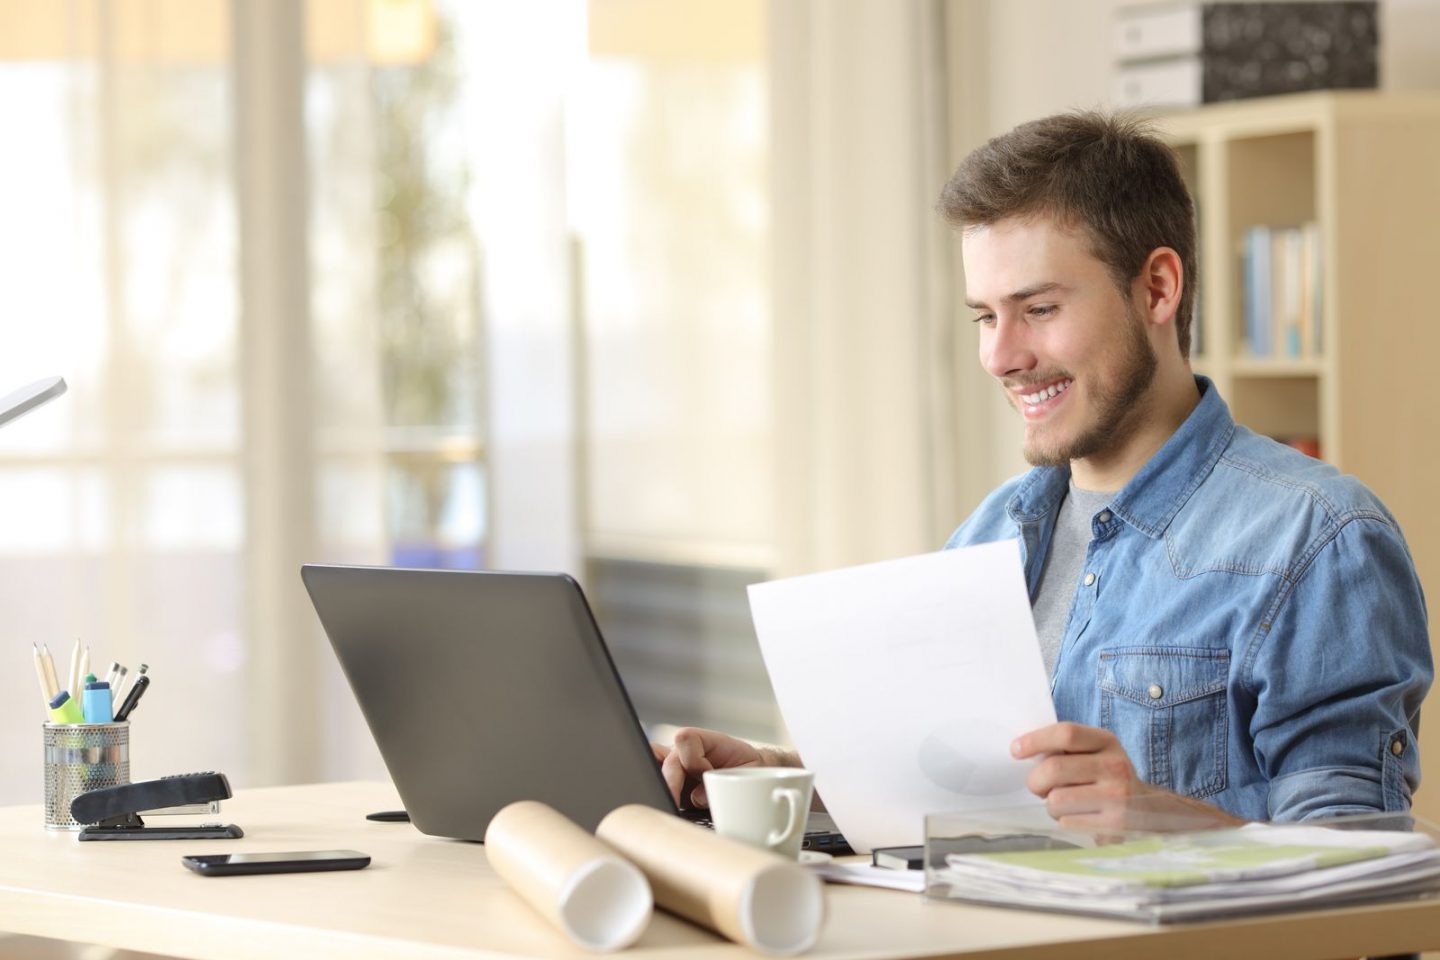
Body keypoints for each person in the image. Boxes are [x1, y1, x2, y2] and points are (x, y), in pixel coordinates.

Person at [657, 111, 1432, 829]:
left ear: (1158, 288)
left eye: (1039, 308)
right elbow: (952, 796)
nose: (1001, 356)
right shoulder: (990, 533)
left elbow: (1359, 871)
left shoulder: (1318, 539)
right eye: (986, 316)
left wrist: (1158, 821)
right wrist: (778, 778)